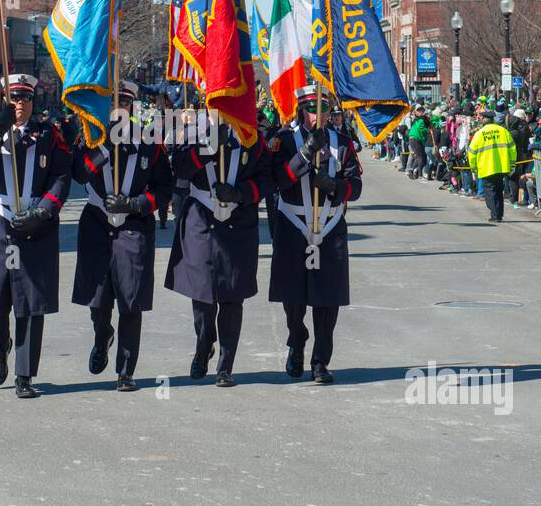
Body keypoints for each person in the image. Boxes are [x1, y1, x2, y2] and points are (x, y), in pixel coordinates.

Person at [0, 74, 71, 399]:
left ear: (33, 102)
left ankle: (24, 375)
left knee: (30, 303)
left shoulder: (48, 135)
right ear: (5, 101)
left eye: (25, 99)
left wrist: (45, 211)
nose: (19, 105)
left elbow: (62, 174)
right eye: (14, 99)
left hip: (34, 224)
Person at [69, 80, 173, 392]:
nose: (120, 109)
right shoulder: (90, 139)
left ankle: (126, 371)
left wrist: (137, 204)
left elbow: (164, 188)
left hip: (134, 225)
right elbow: (78, 173)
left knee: (132, 301)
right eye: (114, 103)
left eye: (125, 103)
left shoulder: (149, 142)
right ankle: (102, 337)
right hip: (97, 223)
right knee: (98, 301)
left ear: (132, 107)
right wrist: (102, 146)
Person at [165, 116, 273, 387]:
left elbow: (267, 180)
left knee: (232, 296)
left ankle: (225, 365)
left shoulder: (253, 139)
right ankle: (204, 344)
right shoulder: (194, 133)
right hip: (201, 219)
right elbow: (179, 168)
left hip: (238, 222)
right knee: (201, 294)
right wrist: (209, 147)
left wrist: (240, 193)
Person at [268, 85, 363, 384]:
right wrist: (305, 153)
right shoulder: (283, 141)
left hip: (330, 226)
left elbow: (356, 186)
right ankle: (296, 341)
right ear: (300, 110)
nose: (316, 116)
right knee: (293, 298)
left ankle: (321, 360)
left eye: (321, 109)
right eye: (311, 109)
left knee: (327, 300)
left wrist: (335, 187)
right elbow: (276, 180)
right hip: (294, 226)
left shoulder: (343, 143)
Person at [467, 108, 516, 223]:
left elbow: (472, 153)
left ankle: (495, 216)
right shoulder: (503, 131)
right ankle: (499, 214)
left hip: (486, 168)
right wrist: (512, 165)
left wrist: (474, 169)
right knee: (499, 191)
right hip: (502, 167)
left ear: (484, 120)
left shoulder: (479, 134)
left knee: (490, 192)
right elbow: (512, 149)